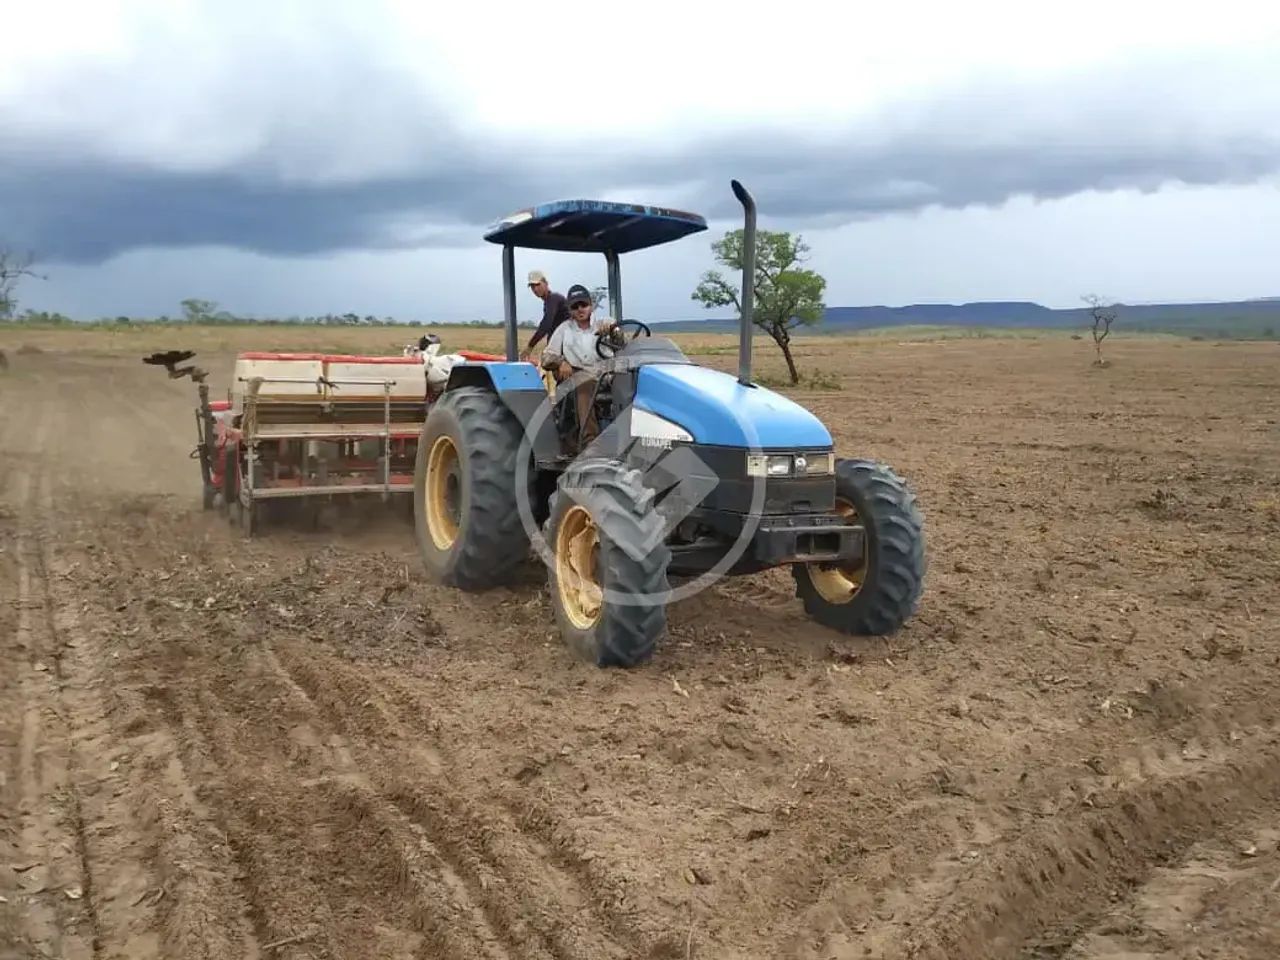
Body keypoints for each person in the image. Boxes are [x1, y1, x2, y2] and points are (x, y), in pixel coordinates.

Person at [541, 284, 619, 450]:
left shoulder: (606, 324)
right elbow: (546, 357)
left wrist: (614, 332)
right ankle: (591, 444)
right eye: (575, 306)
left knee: (633, 382)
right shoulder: (564, 329)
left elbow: (623, 345)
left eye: (583, 304)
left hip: (607, 375)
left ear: (591, 305)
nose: (580, 309)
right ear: (570, 310)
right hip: (579, 376)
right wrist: (561, 362)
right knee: (584, 383)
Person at [520, 270, 571, 361]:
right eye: (532, 286)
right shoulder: (548, 302)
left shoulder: (554, 298)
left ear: (546, 283)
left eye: (538, 285)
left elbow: (546, 324)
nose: (535, 289)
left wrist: (530, 346)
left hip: (568, 346)